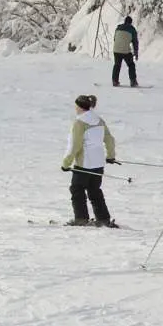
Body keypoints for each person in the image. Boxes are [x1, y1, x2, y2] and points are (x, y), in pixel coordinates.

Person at [61, 94, 117, 227]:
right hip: (98, 163)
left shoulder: (79, 123)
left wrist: (66, 163)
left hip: (84, 163)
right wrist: (111, 156)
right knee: (95, 190)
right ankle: (103, 218)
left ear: (80, 107)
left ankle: (81, 218)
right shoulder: (99, 120)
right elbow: (109, 139)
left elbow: (75, 145)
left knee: (77, 189)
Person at [112, 15, 139, 87]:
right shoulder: (132, 29)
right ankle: (133, 81)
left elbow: (114, 38)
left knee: (117, 65)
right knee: (131, 65)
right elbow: (135, 42)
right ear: (131, 22)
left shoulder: (118, 27)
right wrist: (136, 53)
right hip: (125, 51)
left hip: (116, 49)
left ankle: (115, 81)